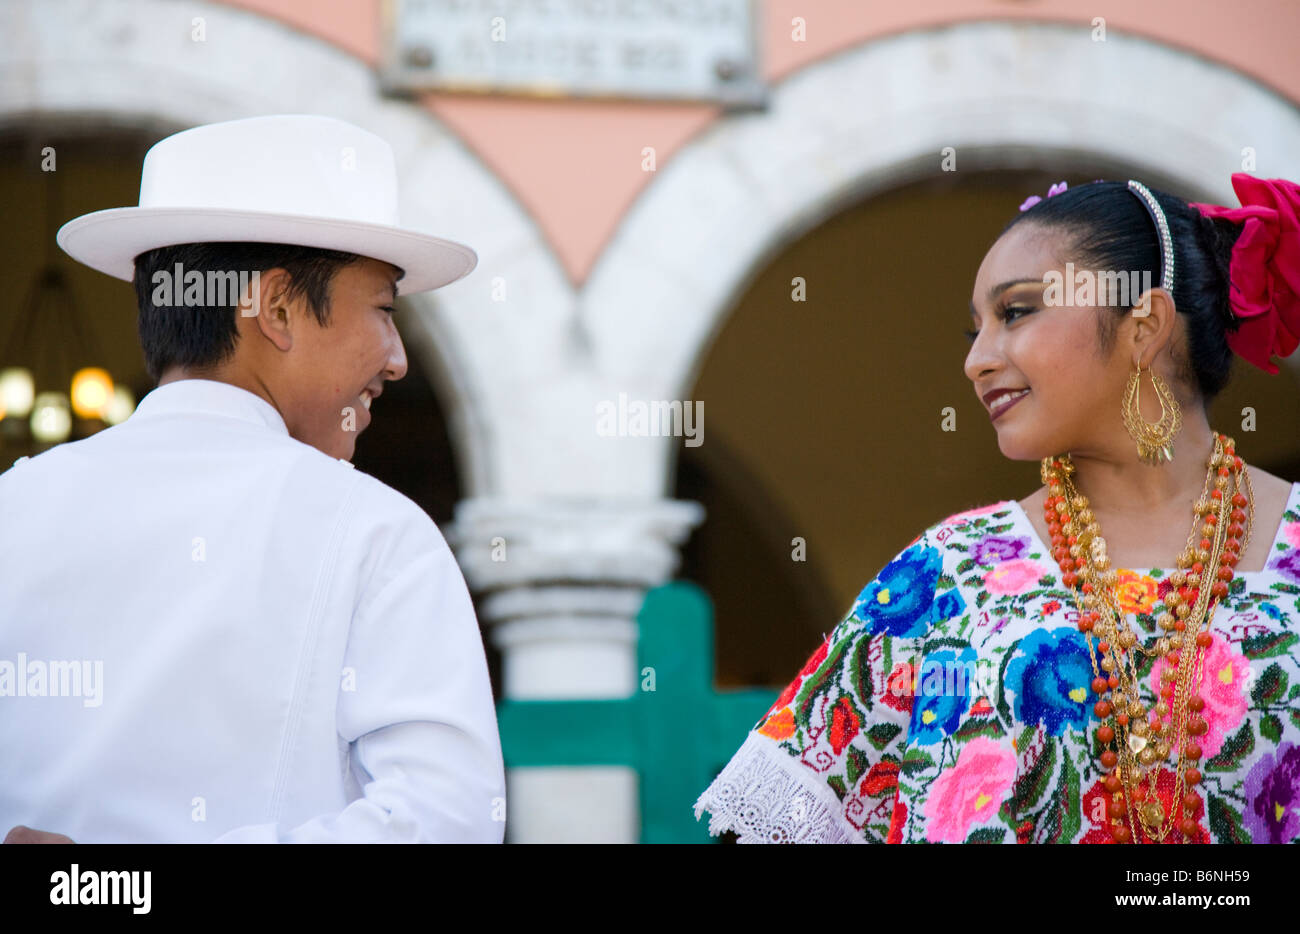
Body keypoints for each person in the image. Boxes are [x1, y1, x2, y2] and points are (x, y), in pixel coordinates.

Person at [694, 173, 1300, 844]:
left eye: (1015, 313)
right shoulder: (945, 578)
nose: (976, 362)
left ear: (1145, 324)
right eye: (974, 329)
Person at [0, 114, 505, 842]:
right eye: (384, 312)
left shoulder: (16, 506)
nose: (396, 358)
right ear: (275, 309)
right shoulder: (378, 534)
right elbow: (447, 823)